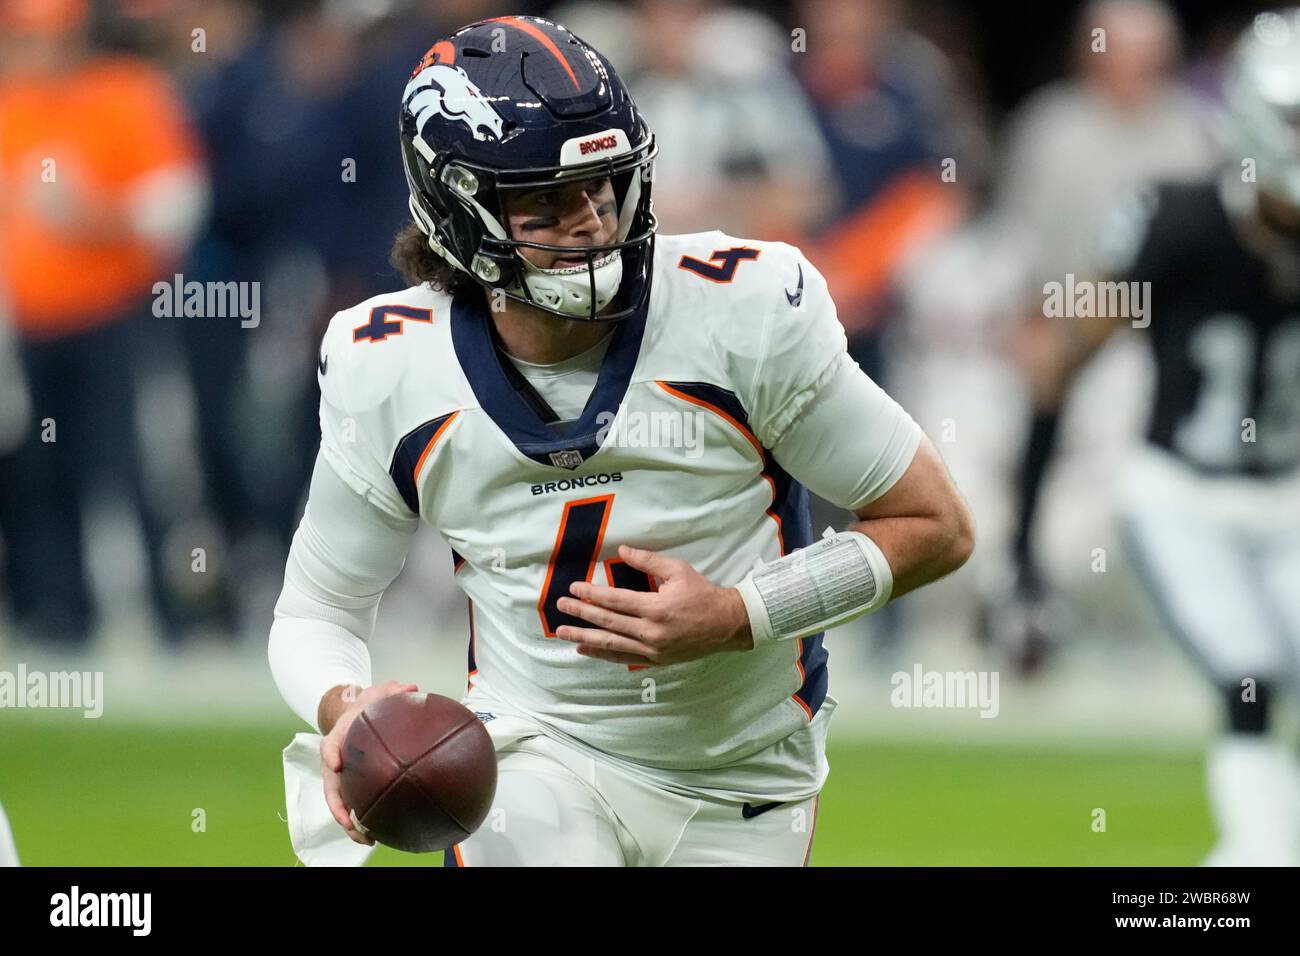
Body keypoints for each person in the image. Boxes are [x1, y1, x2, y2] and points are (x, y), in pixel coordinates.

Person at [269, 15, 973, 866]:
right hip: (536, 755)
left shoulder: (741, 310)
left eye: (603, 186)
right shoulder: (387, 363)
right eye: (547, 201)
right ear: (458, 209)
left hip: (743, 780)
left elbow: (934, 525)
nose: (591, 222)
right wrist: (343, 703)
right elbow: (319, 610)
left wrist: (738, 614)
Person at [1002, 10, 1300, 865]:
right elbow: (1061, 366)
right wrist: (1022, 557)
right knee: (1249, 676)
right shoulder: (1178, 219)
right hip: (1184, 499)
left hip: (1287, 499)